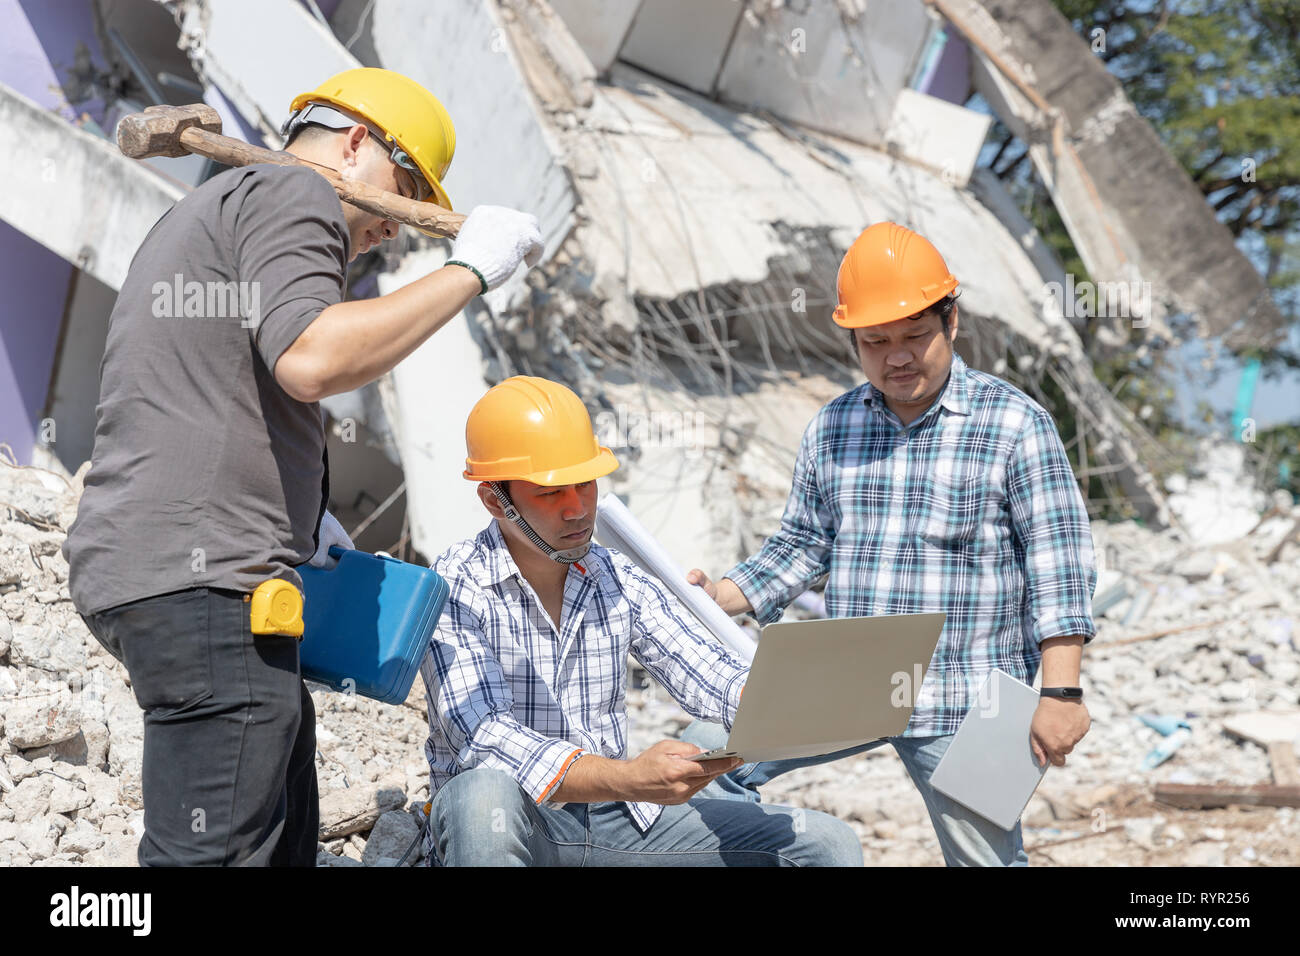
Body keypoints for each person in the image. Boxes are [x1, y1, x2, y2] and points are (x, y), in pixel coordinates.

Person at [63, 67, 543, 866]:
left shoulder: (210, 212)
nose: (397, 228)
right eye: (409, 188)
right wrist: (467, 271)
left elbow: (215, 387)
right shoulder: (297, 196)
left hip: (174, 574)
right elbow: (311, 360)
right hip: (205, 583)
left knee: (279, 835)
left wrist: (300, 505)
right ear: (357, 142)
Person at [687, 221, 1096, 866]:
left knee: (986, 864)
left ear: (951, 321)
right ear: (852, 339)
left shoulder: (1016, 424)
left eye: (914, 336)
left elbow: (1060, 564)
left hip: (971, 695)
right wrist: (721, 595)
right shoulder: (834, 425)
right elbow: (799, 546)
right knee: (698, 762)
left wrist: (1061, 694)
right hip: (850, 680)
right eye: (875, 342)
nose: (896, 357)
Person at [419, 376, 863, 866]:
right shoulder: (454, 584)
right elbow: (485, 736)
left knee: (825, 845)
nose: (577, 508)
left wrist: (770, 701)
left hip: (612, 823)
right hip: (518, 823)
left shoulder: (616, 576)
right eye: (550, 493)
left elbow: (705, 668)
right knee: (482, 796)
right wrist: (628, 778)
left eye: (584, 483)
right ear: (494, 500)